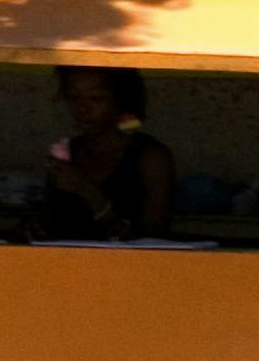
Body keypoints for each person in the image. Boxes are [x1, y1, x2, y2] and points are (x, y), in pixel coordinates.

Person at [39, 65, 179, 239]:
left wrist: (87, 191)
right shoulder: (66, 154)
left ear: (122, 101)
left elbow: (154, 239)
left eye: (97, 99)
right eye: (74, 97)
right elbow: (49, 226)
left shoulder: (151, 158)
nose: (82, 109)